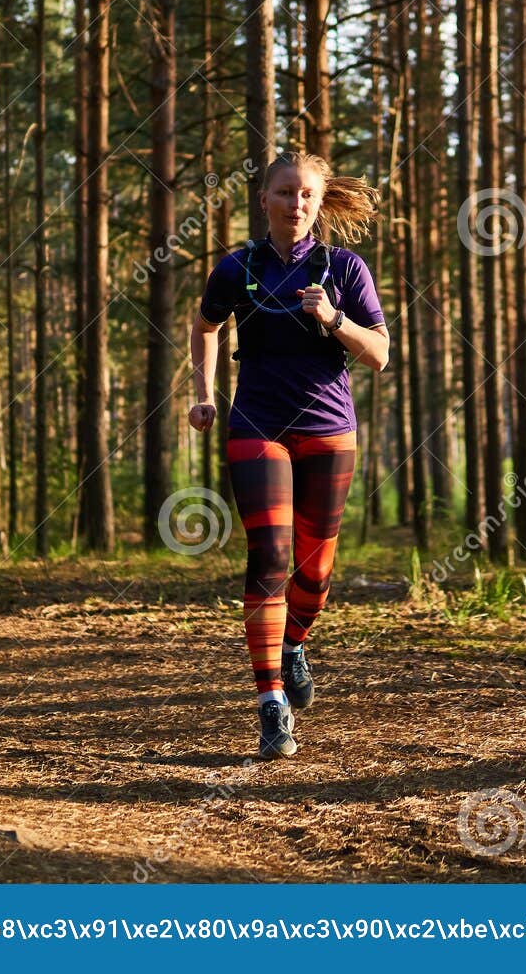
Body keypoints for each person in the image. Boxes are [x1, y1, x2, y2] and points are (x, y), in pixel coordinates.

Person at [188, 150, 390, 760]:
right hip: (257, 425)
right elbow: (204, 326)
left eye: (305, 194)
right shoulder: (236, 267)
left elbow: (379, 353)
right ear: (264, 199)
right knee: (270, 555)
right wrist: (203, 394)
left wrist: (333, 319)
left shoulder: (345, 269)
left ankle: (294, 641)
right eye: (284, 193)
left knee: (316, 570)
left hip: (328, 427)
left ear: (319, 202)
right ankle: (271, 700)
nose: (294, 204)